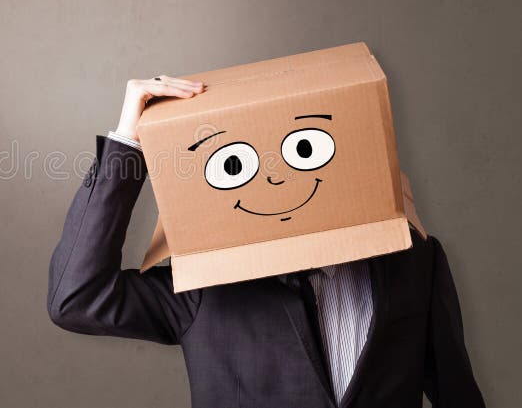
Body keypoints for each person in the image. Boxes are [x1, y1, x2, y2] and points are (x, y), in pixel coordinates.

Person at [47, 76, 485, 408]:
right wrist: (129, 143)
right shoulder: (202, 288)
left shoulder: (413, 260)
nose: (276, 176)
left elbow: (458, 394)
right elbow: (77, 298)